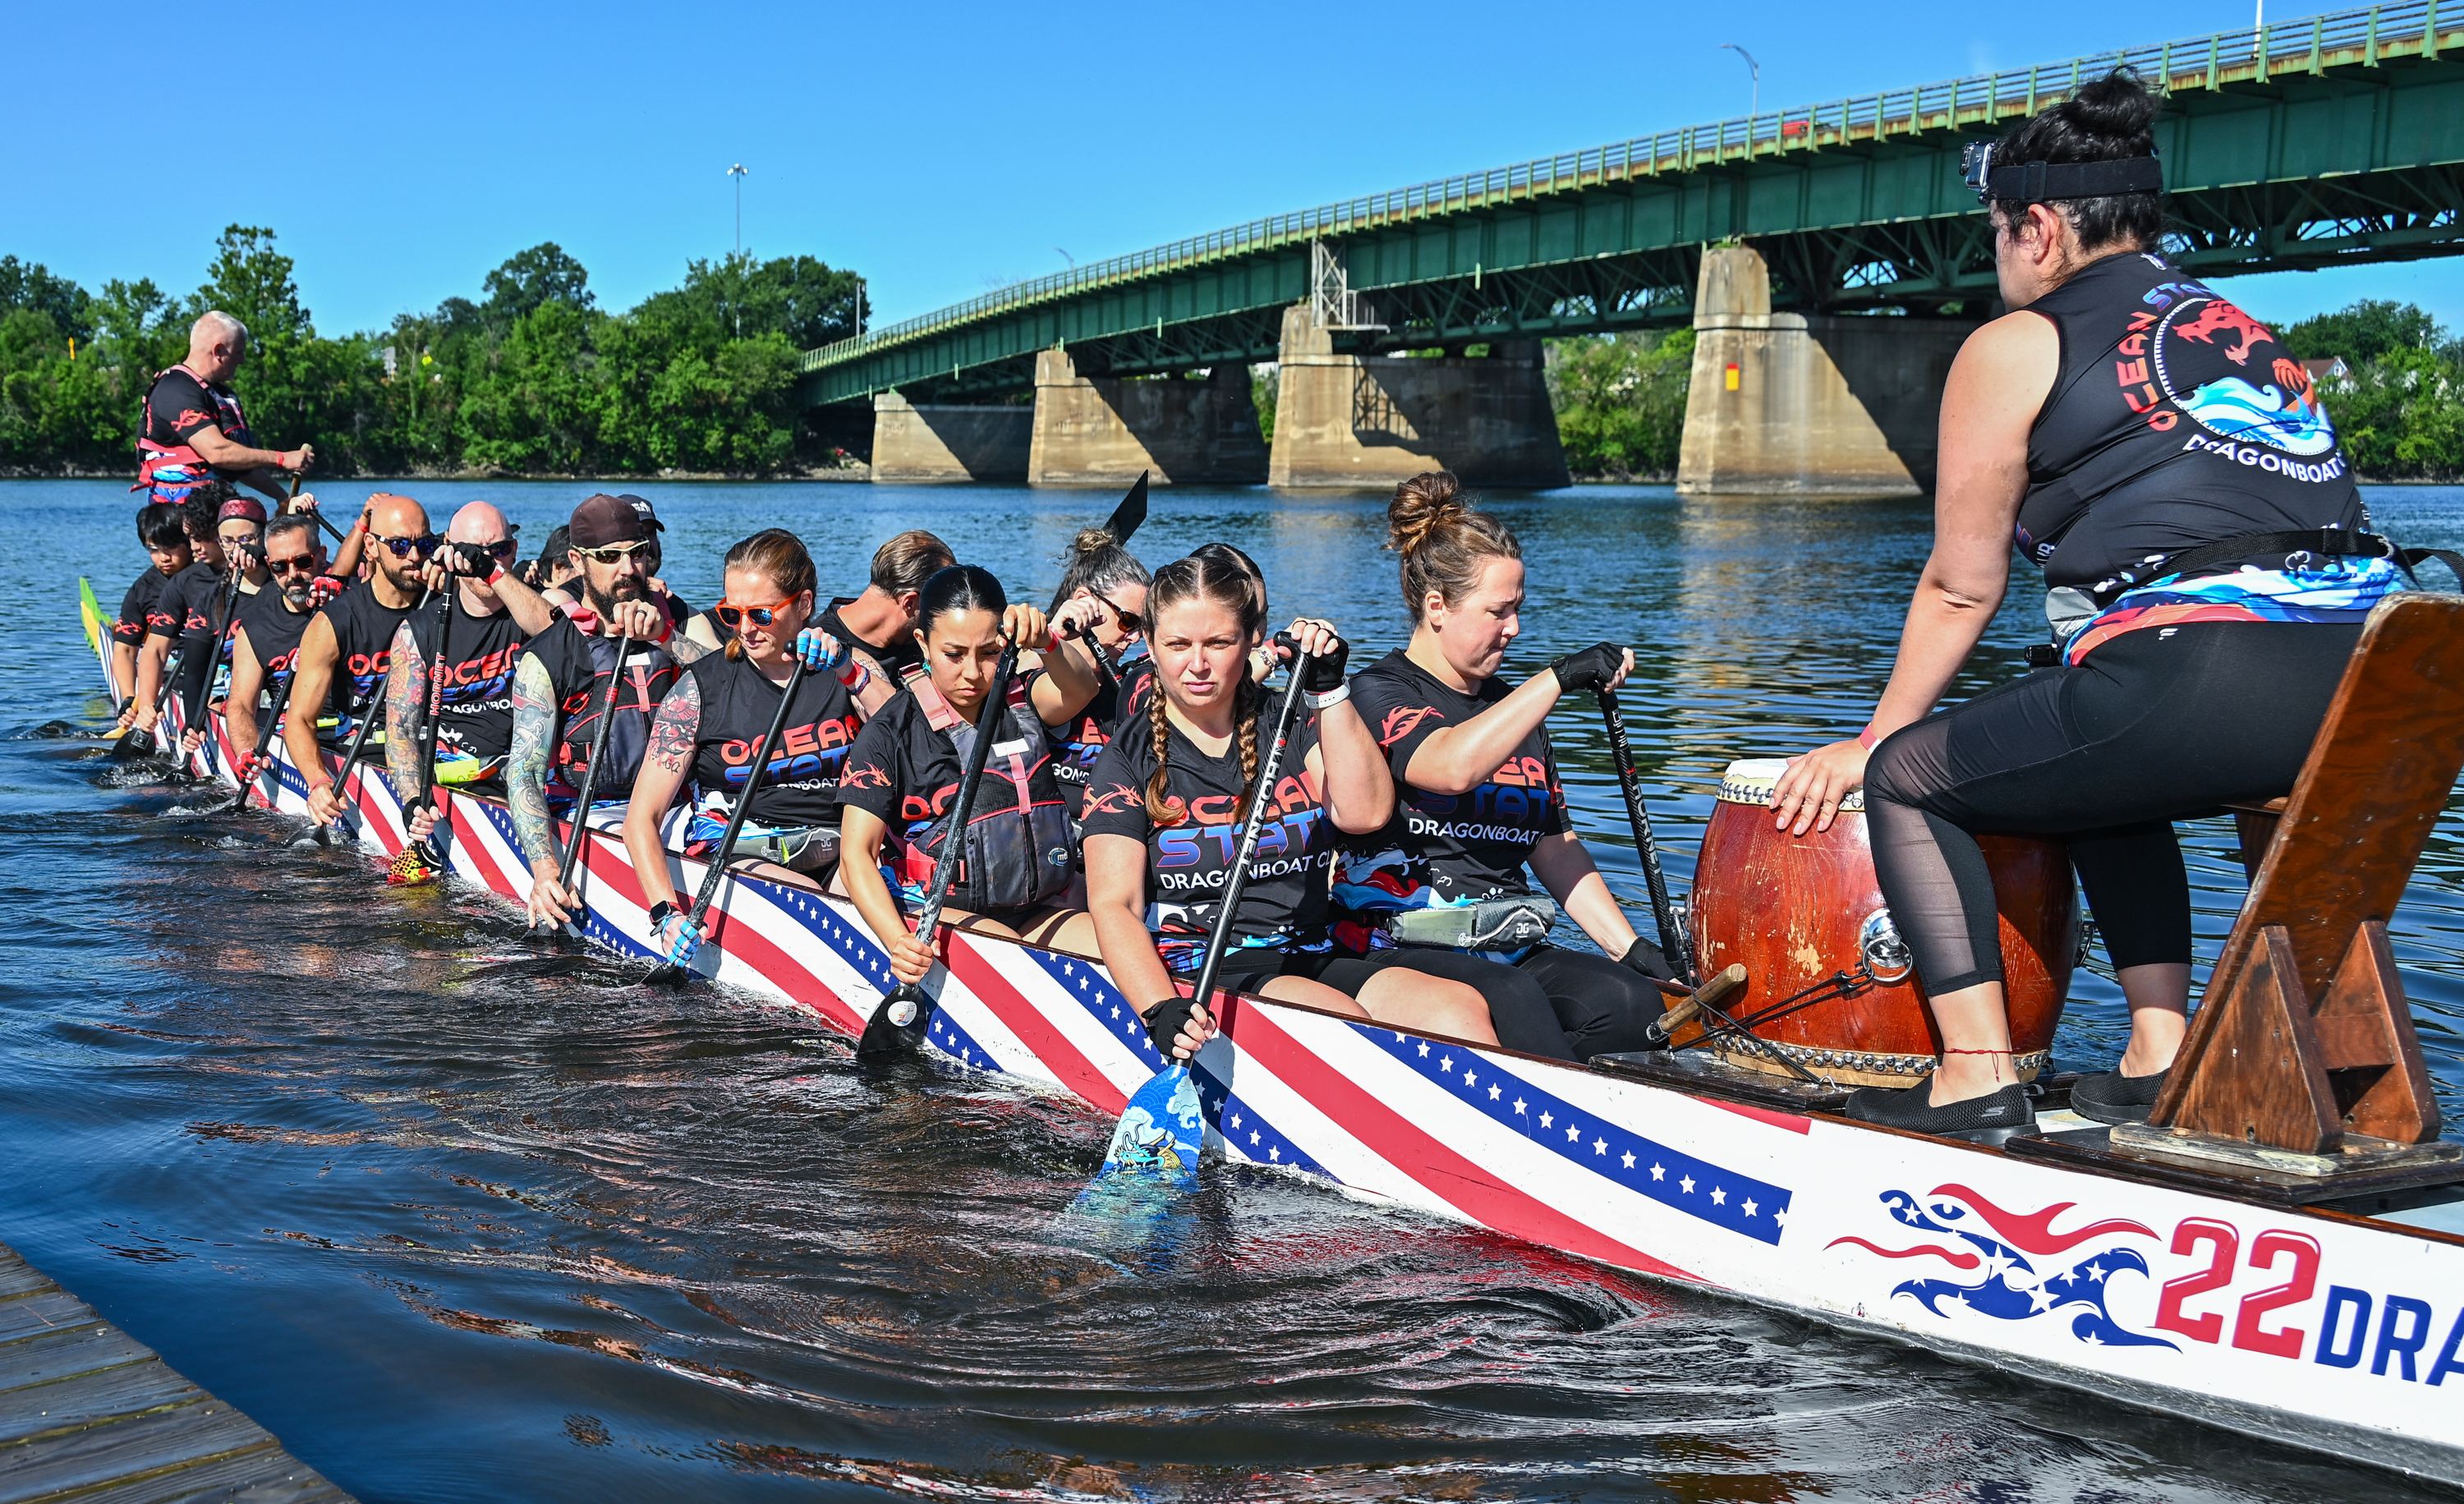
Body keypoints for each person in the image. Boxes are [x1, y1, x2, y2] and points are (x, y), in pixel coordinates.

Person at [1770, 72, 2399, 1138]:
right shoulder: (2248, 327)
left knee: (1912, 778)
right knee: (2087, 741)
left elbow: (1963, 582)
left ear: (2043, 228)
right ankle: (2160, 1050)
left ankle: (1974, 1075)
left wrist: (1878, 733)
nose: (1996, 257)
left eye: (1998, 233)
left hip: (2208, 678)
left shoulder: (2017, 346)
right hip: (2375, 686)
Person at [1080, 553, 1501, 1062]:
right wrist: (1157, 1008)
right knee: (1343, 1023)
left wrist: (1329, 689)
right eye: (1177, 645)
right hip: (1204, 967)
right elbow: (1115, 904)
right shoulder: (1128, 755)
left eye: (1218, 643)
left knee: (1459, 1009)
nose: (1197, 664)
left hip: (1315, 949)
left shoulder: (1293, 720)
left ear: (1250, 641)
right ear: (1149, 645)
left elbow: (1364, 814)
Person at [1331, 472, 1675, 1064]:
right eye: (1499, 611)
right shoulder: (1374, 692)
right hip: (1395, 940)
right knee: (1514, 1000)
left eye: (1518, 609)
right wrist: (1558, 677)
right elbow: (1449, 766)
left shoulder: (1515, 710)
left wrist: (1632, 948)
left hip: (1505, 939)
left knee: (1630, 1002)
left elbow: (1557, 847)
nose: (1514, 628)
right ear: (1437, 606)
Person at [838, 565, 1106, 977]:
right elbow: (856, 857)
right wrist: (898, 941)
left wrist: (1049, 642)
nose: (972, 673)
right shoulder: (889, 732)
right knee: (1009, 958)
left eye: (989, 653)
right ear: (923, 644)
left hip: (1043, 906)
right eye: (954, 654)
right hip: (945, 909)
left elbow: (1081, 689)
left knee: (1112, 952)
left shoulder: (1023, 699)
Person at [626, 530, 872, 967]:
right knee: (811, 899)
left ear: (805, 605)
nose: (744, 629)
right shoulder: (700, 689)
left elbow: (917, 733)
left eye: (760, 613)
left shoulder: (845, 668)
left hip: (843, 848)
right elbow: (642, 818)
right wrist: (665, 914)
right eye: (731, 613)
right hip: (742, 848)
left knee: (854, 891)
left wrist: (851, 672)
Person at [507, 494, 708, 927]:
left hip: (677, 806)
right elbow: (523, 773)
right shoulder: (548, 655)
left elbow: (734, 687)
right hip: (595, 810)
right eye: (610, 557)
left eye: (637, 554)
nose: (628, 570)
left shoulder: (673, 623)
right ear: (578, 562)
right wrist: (545, 870)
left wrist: (668, 639)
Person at [382, 502, 556, 829]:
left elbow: (555, 632)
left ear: (514, 550)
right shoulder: (418, 632)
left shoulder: (534, 608)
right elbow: (401, 731)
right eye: (474, 552)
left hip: (524, 777)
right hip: (450, 773)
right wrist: (412, 801)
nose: (486, 561)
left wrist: (490, 570)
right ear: (450, 550)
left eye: (499, 550)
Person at [289, 494, 435, 826]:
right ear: (370, 547)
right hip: (362, 744)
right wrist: (318, 781)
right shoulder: (334, 621)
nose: (414, 556)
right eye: (398, 545)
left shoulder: (443, 605)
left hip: (433, 747)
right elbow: (298, 721)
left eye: (424, 545)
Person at [134, 311, 311, 508]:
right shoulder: (175, 389)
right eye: (238, 352)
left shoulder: (219, 394)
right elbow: (217, 452)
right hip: (177, 519)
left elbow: (238, 464)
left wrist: (283, 498)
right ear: (218, 351)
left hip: (212, 512)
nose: (242, 360)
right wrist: (282, 459)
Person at [224, 513, 345, 778]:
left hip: (348, 729)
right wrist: (246, 750)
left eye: (303, 562)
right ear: (269, 565)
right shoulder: (256, 628)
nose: (293, 575)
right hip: (291, 730)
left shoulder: (349, 602)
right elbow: (241, 705)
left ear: (322, 556)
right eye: (280, 567)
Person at [1046, 527, 1154, 820]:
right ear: (1083, 600)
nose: (1134, 638)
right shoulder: (1028, 666)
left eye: (1143, 628)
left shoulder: (1126, 683)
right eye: (1128, 621)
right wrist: (1051, 637)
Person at [807, 529, 954, 712]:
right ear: (909, 602)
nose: (943, 616)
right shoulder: (820, 651)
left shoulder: (923, 641)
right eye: (939, 606)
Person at [108, 503, 193, 719]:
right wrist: (129, 698)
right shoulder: (141, 590)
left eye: (171, 547)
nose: (163, 558)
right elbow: (125, 650)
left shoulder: (207, 576)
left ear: (188, 541)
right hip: (166, 667)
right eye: (154, 550)